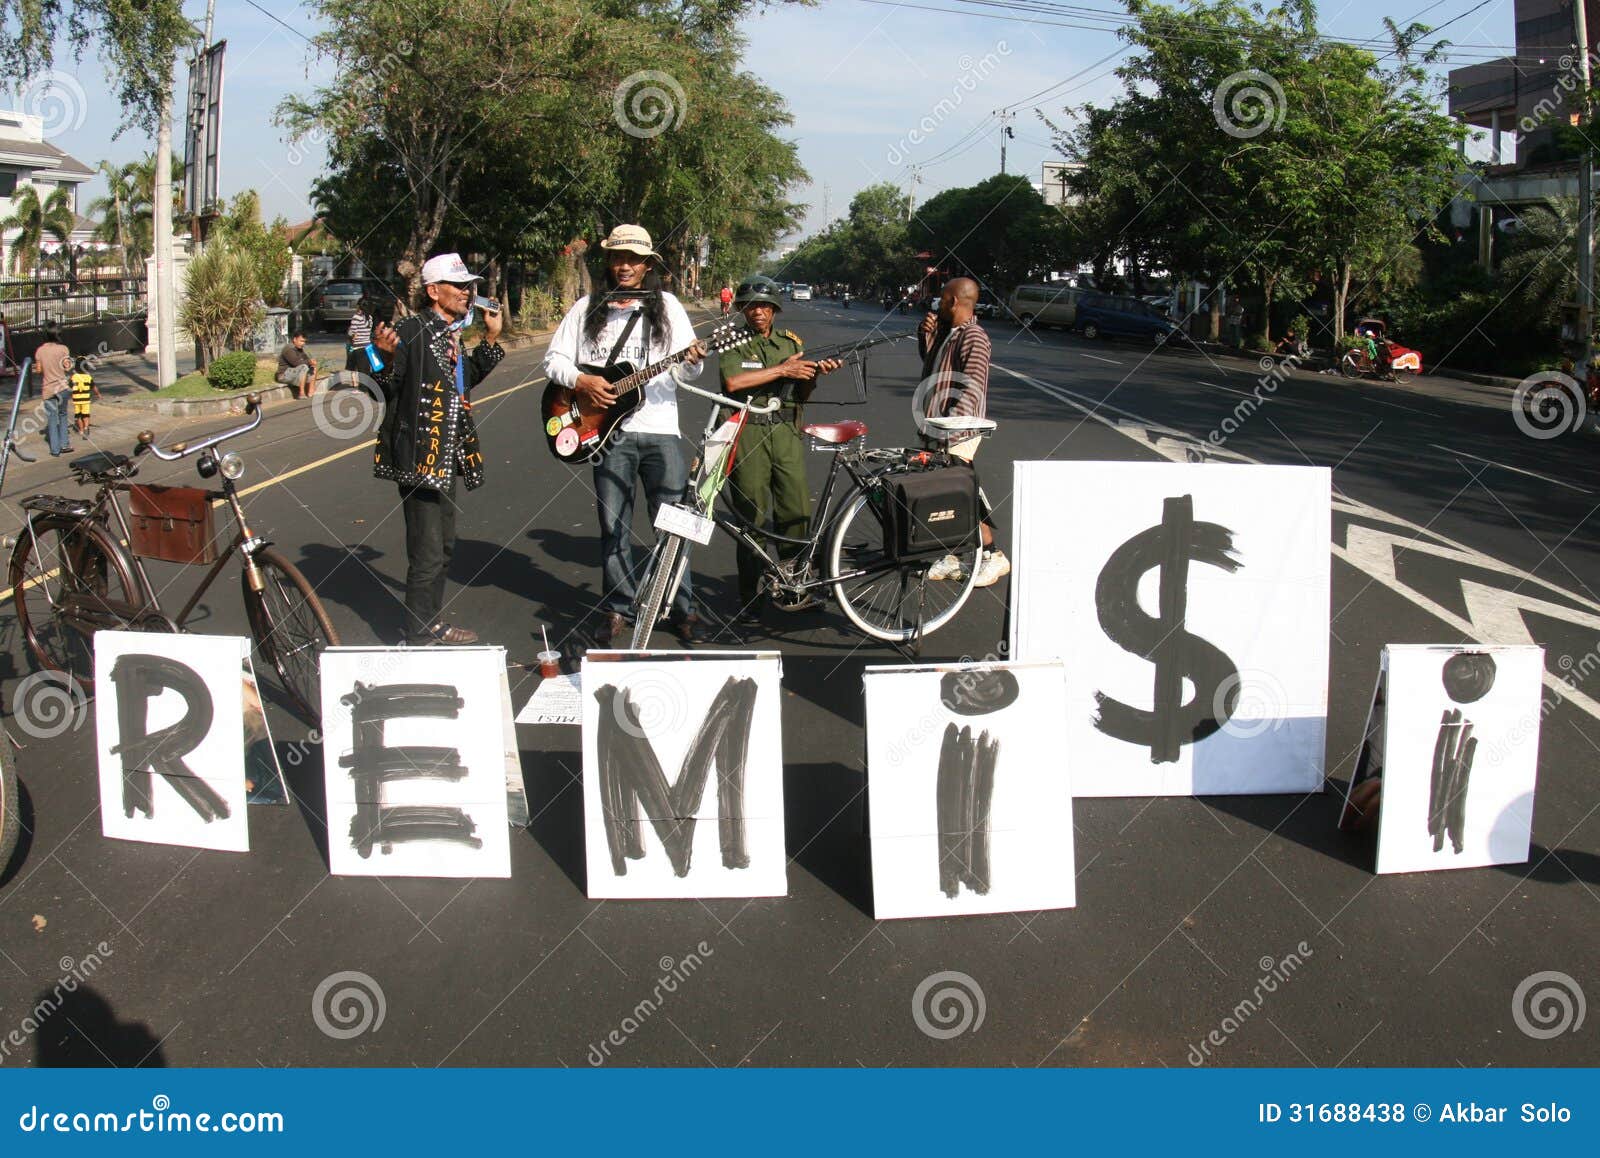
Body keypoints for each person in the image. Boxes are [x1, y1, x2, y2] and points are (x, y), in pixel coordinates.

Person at [544, 223, 708, 647]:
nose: (625, 266)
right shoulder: (586, 308)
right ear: (609, 261)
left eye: (634, 259)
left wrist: (693, 360)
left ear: (648, 265)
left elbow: (689, 372)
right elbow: (553, 361)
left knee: (673, 524)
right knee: (612, 524)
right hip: (607, 436)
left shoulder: (668, 307)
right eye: (618, 257)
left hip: (660, 431)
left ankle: (682, 608)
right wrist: (582, 381)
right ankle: (618, 607)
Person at [370, 252, 505, 646]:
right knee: (427, 552)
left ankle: (431, 623)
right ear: (433, 291)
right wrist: (386, 360)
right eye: (458, 286)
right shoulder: (411, 331)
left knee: (443, 548)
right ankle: (419, 635)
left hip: (444, 456)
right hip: (419, 457)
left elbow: (465, 380)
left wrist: (490, 339)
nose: (467, 293)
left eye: (469, 286)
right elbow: (385, 388)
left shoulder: (449, 334)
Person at [719, 278, 841, 625]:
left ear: (774, 309)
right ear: (742, 309)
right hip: (748, 432)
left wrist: (814, 375)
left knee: (795, 511)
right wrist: (784, 369)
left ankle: (795, 588)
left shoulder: (791, 342)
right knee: (752, 516)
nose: (758, 311)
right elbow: (733, 382)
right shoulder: (732, 341)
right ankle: (750, 597)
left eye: (765, 305)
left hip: (786, 431)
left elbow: (802, 394)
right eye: (751, 305)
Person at [919, 277, 1009, 589]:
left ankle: (993, 555)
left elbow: (973, 386)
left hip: (957, 430)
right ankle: (952, 555)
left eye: (942, 298)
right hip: (940, 427)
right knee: (947, 494)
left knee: (962, 493)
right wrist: (928, 336)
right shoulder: (952, 333)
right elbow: (934, 369)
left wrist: (951, 428)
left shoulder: (974, 336)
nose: (938, 304)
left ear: (954, 301)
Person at [34, 324, 73, 456]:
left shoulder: (40, 351)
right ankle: (64, 444)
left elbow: (38, 370)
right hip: (62, 387)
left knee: (51, 418)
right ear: (57, 335)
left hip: (48, 389)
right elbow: (67, 367)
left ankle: (55, 449)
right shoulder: (63, 349)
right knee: (63, 415)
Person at [276, 333, 318, 398]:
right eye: (301, 341)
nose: (303, 343)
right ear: (295, 339)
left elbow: (306, 359)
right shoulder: (289, 348)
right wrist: (309, 362)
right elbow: (296, 363)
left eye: (304, 341)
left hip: (295, 373)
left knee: (313, 368)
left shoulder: (299, 349)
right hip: (283, 375)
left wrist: (312, 362)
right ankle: (301, 393)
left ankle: (310, 391)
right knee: (304, 367)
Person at [345, 297, 376, 378]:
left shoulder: (356, 317)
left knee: (359, 371)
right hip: (368, 347)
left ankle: (360, 385)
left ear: (359, 306)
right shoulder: (370, 318)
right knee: (366, 371)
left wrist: (349, 332)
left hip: (358, 347)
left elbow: (352, 333)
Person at [69, 356, 99, 436]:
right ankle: (86, 427)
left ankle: (81, 430)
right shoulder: (88, 377)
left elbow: (70, 386)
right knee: (86, 415)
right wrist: (98, 394)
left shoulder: (74, 377)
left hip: (76, 399)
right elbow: (94, 387)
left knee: (78, 416)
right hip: (86, 399)